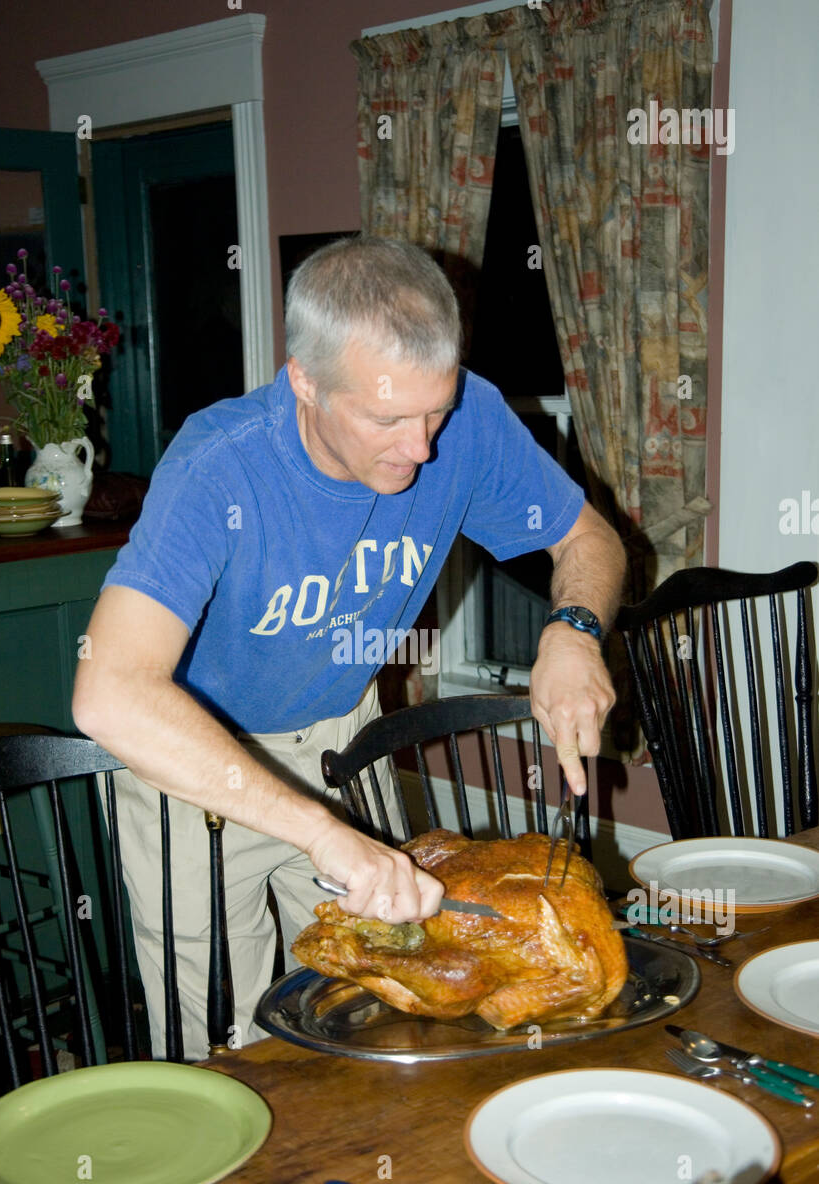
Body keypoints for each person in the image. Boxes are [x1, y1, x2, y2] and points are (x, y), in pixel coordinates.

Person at [72, 235, 626, 1059]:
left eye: (434, 411)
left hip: (339, 743)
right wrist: (317, 831)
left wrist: (574, 632)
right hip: (193, 770)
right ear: (304, 380)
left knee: (372, 1011)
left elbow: (590, 539)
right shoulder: (219, 467)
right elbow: (109, 693)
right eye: (388, 418)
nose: (423, 447)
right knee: (230, 1054)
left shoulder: (466, 419)